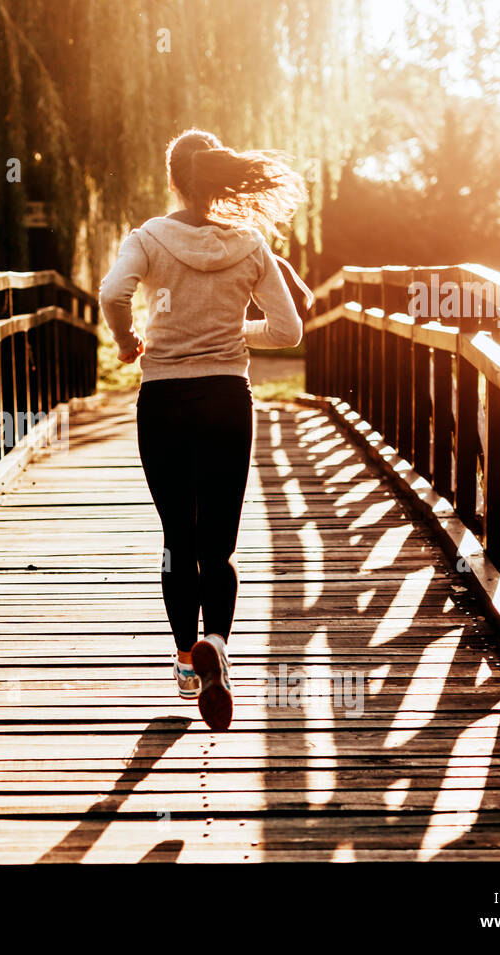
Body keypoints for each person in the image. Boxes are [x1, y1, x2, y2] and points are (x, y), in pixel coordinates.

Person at [98, 128, 310, 731]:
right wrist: (232, 335)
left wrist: (126, 340)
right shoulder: (250, 245)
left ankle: (189, 659)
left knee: (176, 534)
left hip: (163, 398)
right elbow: (289, 331)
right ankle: (218, 638)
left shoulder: (148, 237)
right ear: (218, 179)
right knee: (218, 541)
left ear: (173, 179)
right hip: (226, 398)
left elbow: (114, 292)